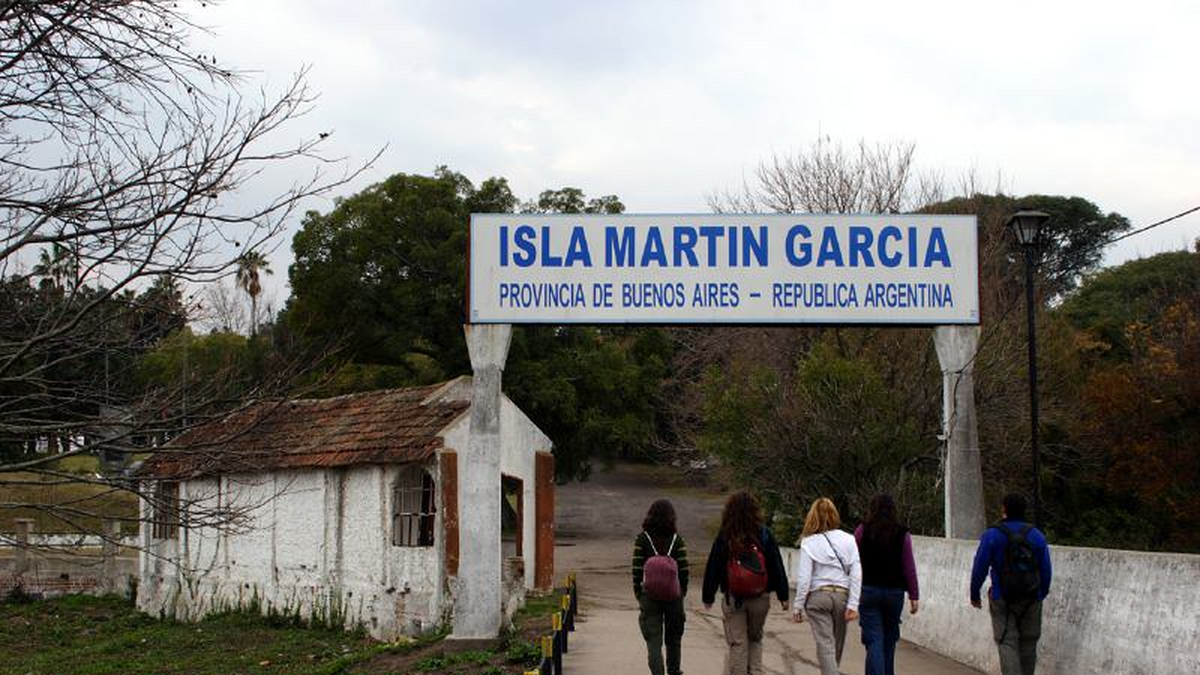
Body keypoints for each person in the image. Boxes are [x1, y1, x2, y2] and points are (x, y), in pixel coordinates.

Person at [701, 491, 789, 675]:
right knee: (755, 640)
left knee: (738, 643)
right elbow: (776, 565)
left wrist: (708, 595)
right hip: (760, 597)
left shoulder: (726, 535)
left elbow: (714, 566)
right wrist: (783, 595)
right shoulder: (764, 533)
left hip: (734, 598)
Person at [970, 493, 1052, 675]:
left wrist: (974, 593)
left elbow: (980, 567)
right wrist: (1041, 594)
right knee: (1029, 643)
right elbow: (1046, 570)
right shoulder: (1037, 536)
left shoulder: (992, 535)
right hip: (1031, 597)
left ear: (1004, 509)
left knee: (1007, 643)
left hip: (1002, 597)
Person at [791, 497, 862, 675]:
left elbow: (805, 577)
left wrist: (798, 606)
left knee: (825, 644)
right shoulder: (849, 540)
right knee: (836, 645)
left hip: (818, 597)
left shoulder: (809, 542)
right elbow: (856, 574)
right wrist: (853, 604)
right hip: (842, 596)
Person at [854, 494, 920, 675]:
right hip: (894, 593)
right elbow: (909, 566)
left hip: (867, 591)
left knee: (874, 639)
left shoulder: (862, 531)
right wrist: (914, 595)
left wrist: (851, 589)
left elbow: (852, 560)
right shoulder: (902, 534)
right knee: (889, 641)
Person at [632, 499, 689, 675]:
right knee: (674, 639)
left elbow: (636, 569)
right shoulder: (677, 540)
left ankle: (658, 672)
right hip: (674, 596)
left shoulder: (642, 539)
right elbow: (684, 571)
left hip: (649, 596)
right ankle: (674, 671)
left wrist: (639, 593)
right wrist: (681, 592)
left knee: (653, 641)